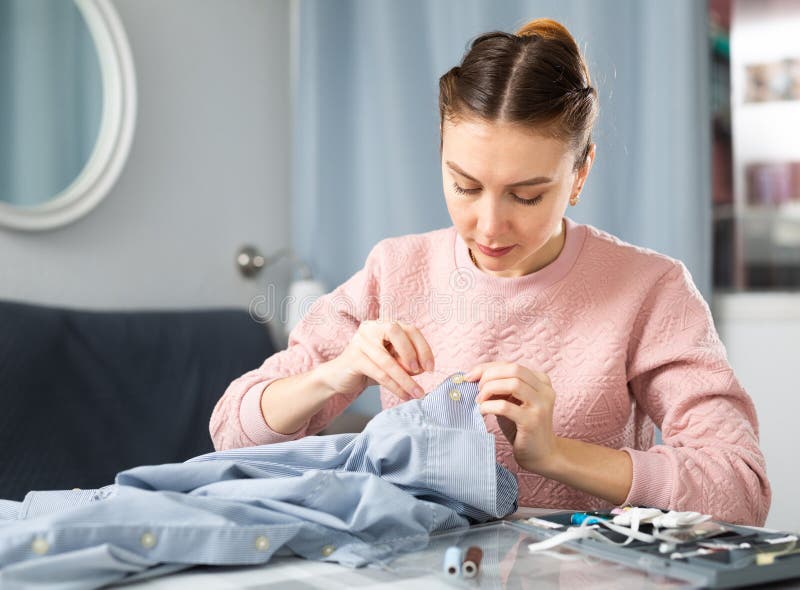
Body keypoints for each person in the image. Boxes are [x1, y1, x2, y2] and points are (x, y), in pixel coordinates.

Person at [210, 18, 770, 525]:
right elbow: (231, 434)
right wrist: (334, 375)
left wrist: (556, 456)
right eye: (465, 186)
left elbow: (740, 487)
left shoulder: (650, 289)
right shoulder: (394, 270)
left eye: (527, 196)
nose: (489, 226)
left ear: (580, 173)